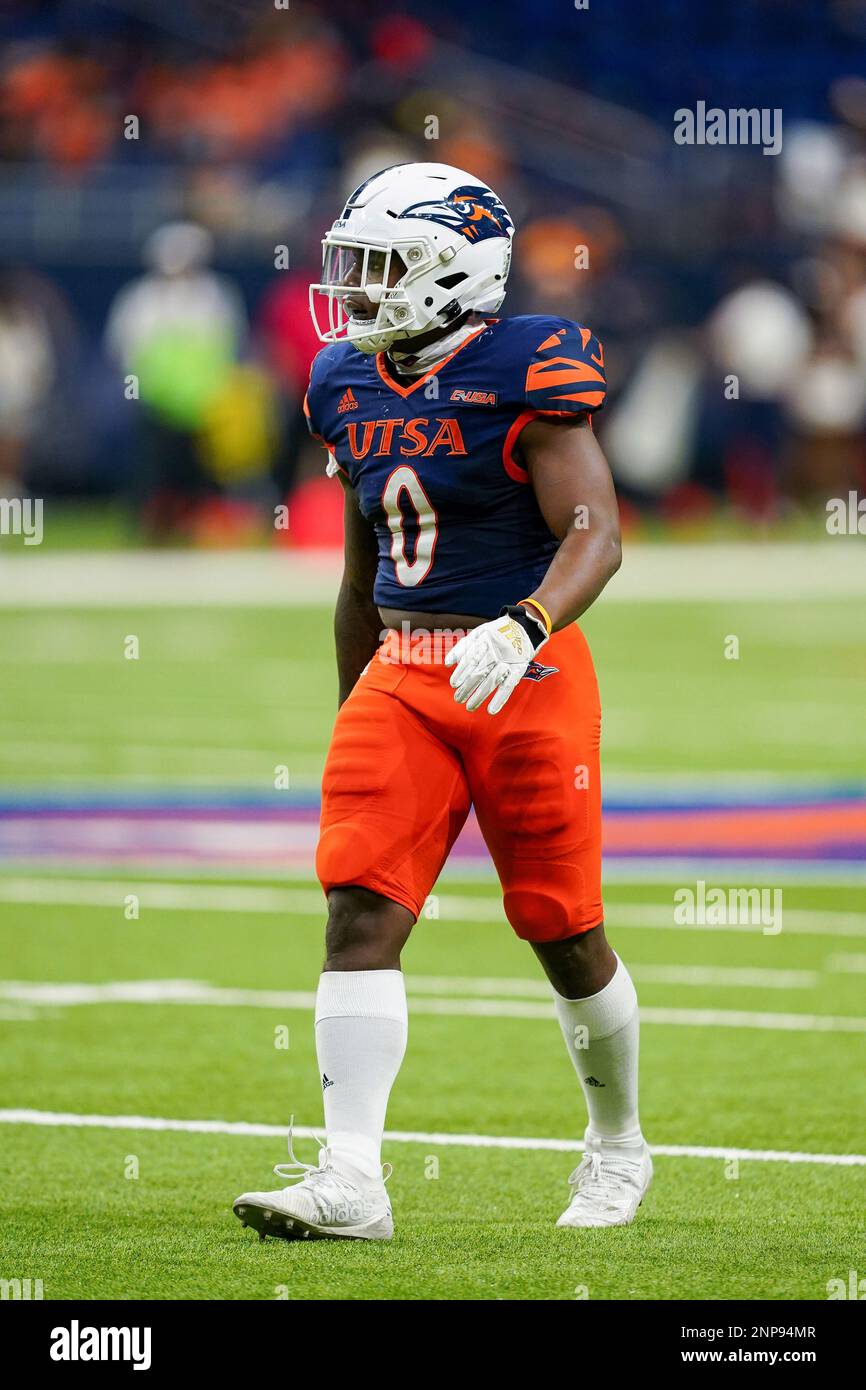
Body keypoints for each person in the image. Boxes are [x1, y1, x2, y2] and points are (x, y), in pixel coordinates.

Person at [233, 162, 651, 1241]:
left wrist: (525, 625)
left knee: (561, 929)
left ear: (452, 273)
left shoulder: (524, 366)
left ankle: (616, 1145)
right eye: (355, 266)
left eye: (382, 267)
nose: (357, 290)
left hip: (525, 670)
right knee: (357, 911)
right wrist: (353, 703)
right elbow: (359, 569)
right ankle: (351, 1181)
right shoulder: (343, 380)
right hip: (403, 674)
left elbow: (595, 534)